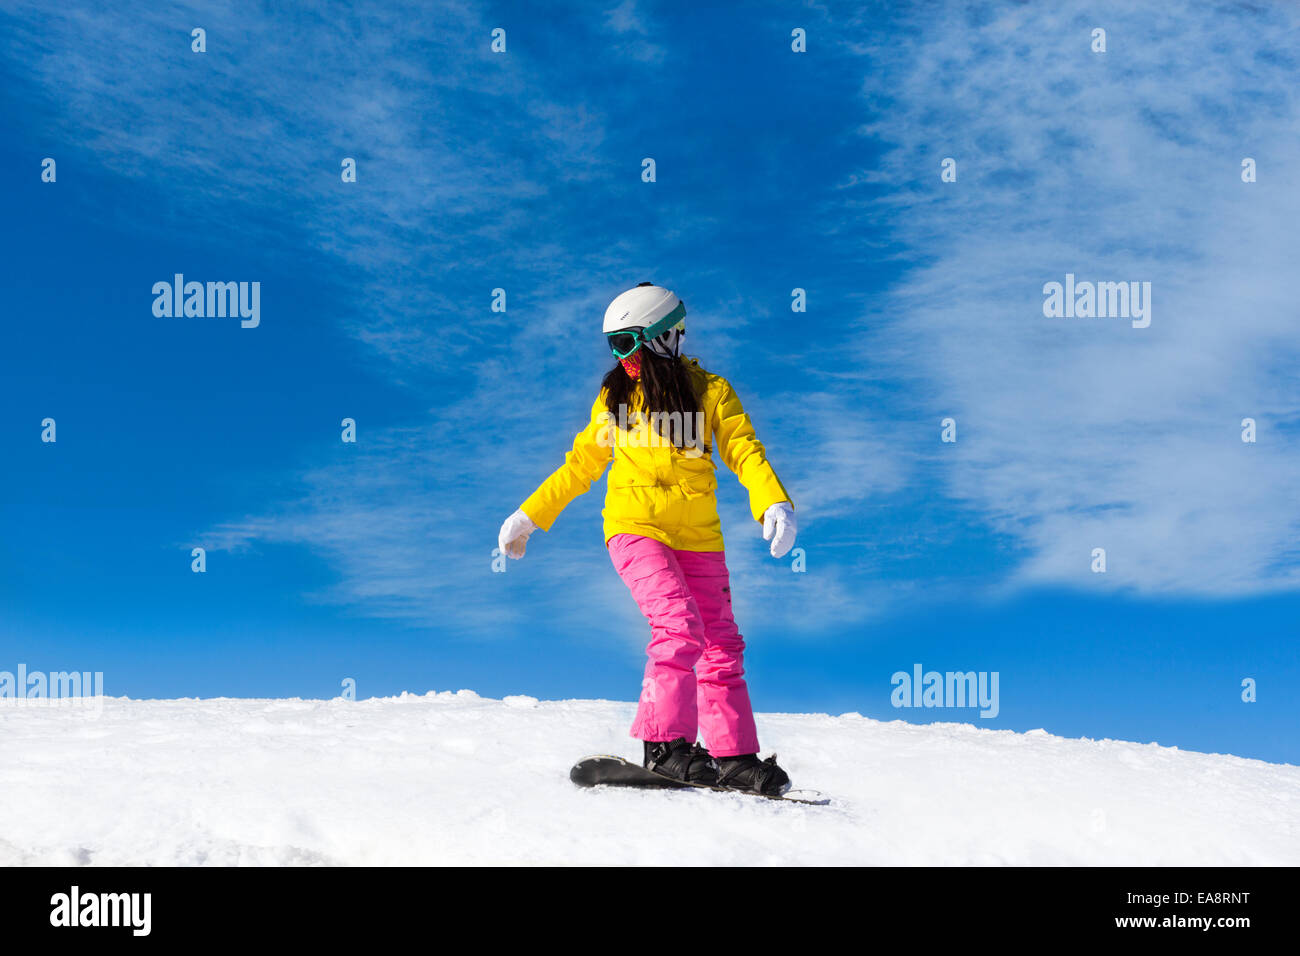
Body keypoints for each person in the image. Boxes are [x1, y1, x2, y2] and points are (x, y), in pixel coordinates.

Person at [497, 283, 797, 796]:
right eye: (613, 345)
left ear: (665, 336)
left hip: (698, 536)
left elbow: (743, 449)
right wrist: (531, 515)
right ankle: (665, 745)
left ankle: (734, 758)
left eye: (628, 342)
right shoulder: (616, 400)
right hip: (635, 529)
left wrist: (773, 499)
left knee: (721, 643)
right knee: (679, 626)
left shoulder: (711, 393)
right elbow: (580, 466)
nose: (622, 357)